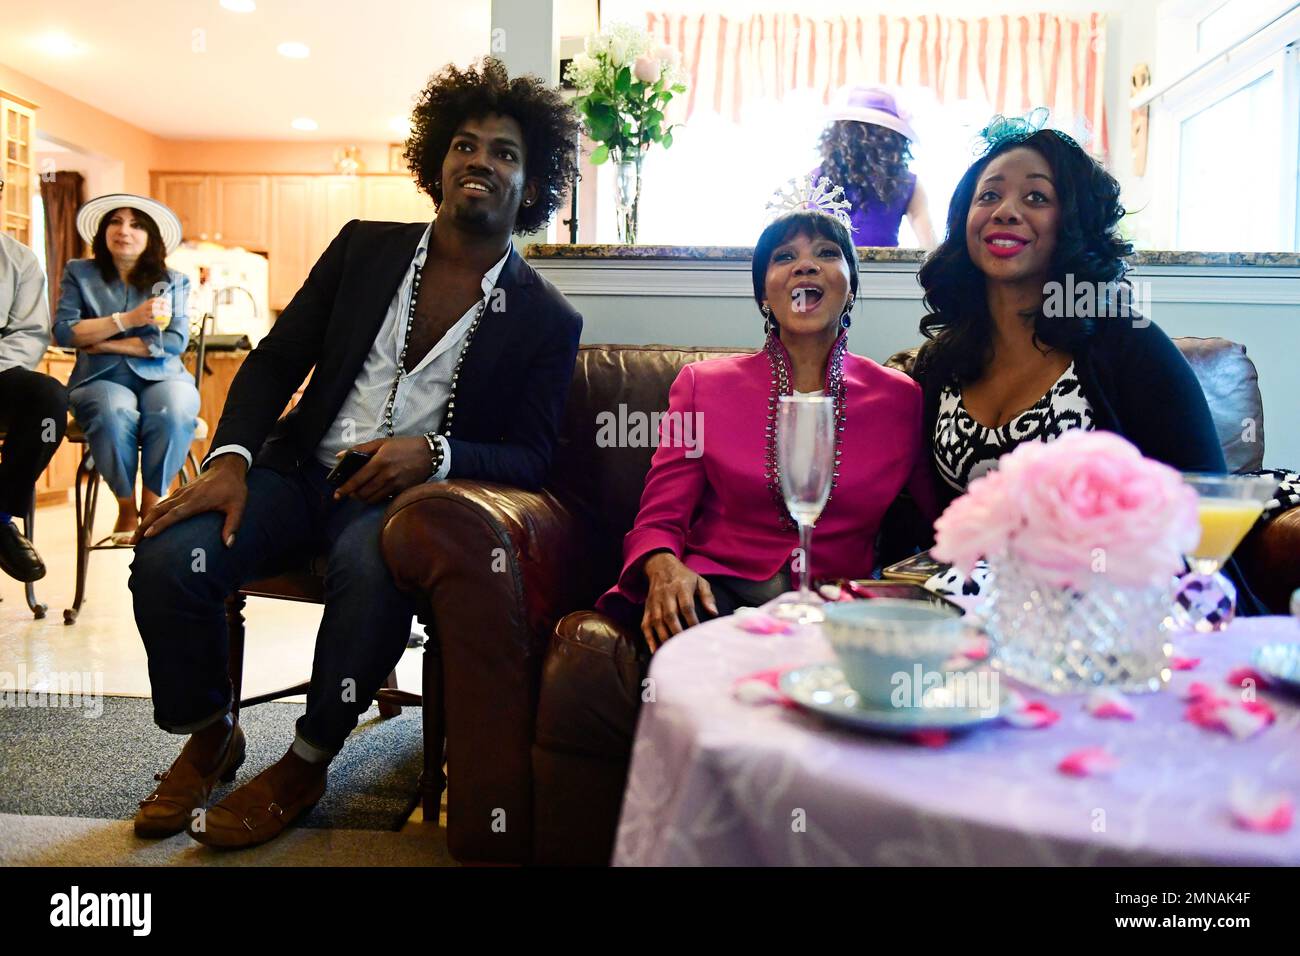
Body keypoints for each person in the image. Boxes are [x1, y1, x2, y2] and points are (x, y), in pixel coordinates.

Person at [127, 58, 583, 849]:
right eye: (465, 145)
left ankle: (306, 761)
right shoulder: (364, 249)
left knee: (373, 571)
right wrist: (231, 457)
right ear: (437, 161)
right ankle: (210, 733)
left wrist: (434, 456)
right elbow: (276, 359)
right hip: (294, 472)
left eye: (505, 152)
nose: (480, 161)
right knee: (171, 555)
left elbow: (532, 456)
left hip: (393, 506)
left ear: (533, 182)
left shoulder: (547, 319)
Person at [911, 113, 1264, 609]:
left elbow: (1200, 507)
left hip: (1125, 611)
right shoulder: (938, 364)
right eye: (988, 195)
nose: (1005, 211)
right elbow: (923, 522)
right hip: (976, 615)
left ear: (1071, 222)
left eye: (1036, 197)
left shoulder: (1125, 344)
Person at [597, 204, 938, 649]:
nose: (806, 264)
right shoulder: (701, 387)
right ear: (763, 294)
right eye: (783, 256)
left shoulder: (901, 398)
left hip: (840, 608)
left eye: (827, 252)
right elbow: (659, 518)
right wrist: (663, 566)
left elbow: (942, 526)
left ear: (851, 287)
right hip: (720, 596)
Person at [53, 196, 198, 543]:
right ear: (103, 232)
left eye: (136, 225)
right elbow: (64, 331)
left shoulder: (172, 280)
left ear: (151, 236)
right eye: (115, 222)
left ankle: (152, 506)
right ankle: (125, 505)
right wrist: (130, 321)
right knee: (112, 410)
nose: (124, 231)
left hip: (165, 376)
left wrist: (101, 341)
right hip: (99, 378)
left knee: (175, 409)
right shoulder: (79, 272)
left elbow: (174, 342)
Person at [0, 176, 69, 582]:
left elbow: (28, 332)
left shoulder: (20, 259)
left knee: (47, 399)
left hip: (1, 370)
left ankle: (2, 514)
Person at [812, 86, 935, 248]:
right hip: (882, 272)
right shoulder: (907, 184)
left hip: (825, 270)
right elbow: (930, 246)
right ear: (894, 140)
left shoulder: (815, 179)